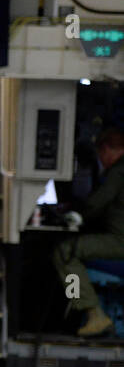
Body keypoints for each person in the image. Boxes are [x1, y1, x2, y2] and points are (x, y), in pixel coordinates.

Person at [52, 127, 124, 337]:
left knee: (64, 252)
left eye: (100, 155)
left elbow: (99, 201)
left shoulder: (119, 171)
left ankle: (89, 311)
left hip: (119, 242)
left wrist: (78, 214)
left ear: (106, 149)